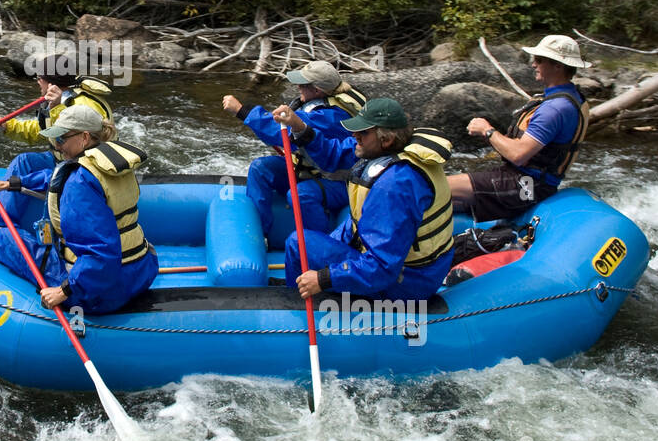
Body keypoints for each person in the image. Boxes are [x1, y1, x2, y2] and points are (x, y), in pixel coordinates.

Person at [0, 105, 158, 315]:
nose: (57, 145)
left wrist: (63, 291)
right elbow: (55, 178)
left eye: (62, 138)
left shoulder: (78, 185)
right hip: (140, 275)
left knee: (4, 238)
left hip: (97, 293)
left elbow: (100, 251)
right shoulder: (111, 165)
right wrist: (10, 184)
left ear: (84, 137)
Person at [272, 97, 454, 302]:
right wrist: (299, 126)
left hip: (408, 282)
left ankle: (294, 305)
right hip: (400, 265)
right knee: (327, 238)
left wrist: (323, 278)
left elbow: (383, 267)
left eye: (363, 132)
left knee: (299, 243)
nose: (354, 135)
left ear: (386, 140)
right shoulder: (382, 147)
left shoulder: (394, 186)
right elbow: (334, 154)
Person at [448, 34, 591, 222]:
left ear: (558, 65)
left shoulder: (555, 109)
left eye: (539, 60)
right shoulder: (568, 96)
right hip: (525, 180)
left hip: (527, 186)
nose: (533, 64)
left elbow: (518, 154)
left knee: (434, 187)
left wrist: (487, 130)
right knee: (438, 193)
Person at [222, 61, 365, 236]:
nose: (297, 87)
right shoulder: (327, 97)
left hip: (339, 182)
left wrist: (241, 111)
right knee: (261, 168)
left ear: (317, 90)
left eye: (302, 85)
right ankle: (261, 235)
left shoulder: (331, 115)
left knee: (301, 194)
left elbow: (281, 133)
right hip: (313, 169)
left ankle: (318, 244)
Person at [0, 59, 112, 225]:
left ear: (51, 83)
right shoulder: (64, 97)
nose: (38, 82)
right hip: (63, 157)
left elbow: (69, 140)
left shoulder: (84, 106)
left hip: (82, 165)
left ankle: (10, 227)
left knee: (51, 176)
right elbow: (43, 130)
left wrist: (56, 108)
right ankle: (5, 226)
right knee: (23, 161)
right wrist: (8, 127)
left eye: (39, 78)